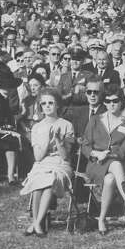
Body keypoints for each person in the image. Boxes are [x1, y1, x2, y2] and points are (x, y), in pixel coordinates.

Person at [80, 85, 125, 235]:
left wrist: (108, 154)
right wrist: (96, 154)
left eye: (115, 101)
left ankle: (101, 218)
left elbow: (124, 151)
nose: (111, 104)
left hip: (115, 163)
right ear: (104, 102)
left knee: (111, 179)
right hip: (95, 164)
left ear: (121, 102)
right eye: (107, 101)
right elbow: (85, 145)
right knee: (116, 166)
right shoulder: (95, 120)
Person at [19, 89, 75, 237]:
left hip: (60, 164)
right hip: (42, 162)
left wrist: (58, 141)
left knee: (50, 180)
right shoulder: (37, 127)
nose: (47, 106)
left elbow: (64, 156)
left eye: (51, 103)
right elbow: (37, 157)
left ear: (57, 105)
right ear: (40, 107)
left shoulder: (67, 125)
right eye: (44, 103)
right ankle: (37, 222)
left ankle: (36, 223)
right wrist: (46, 138)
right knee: (38, 183)